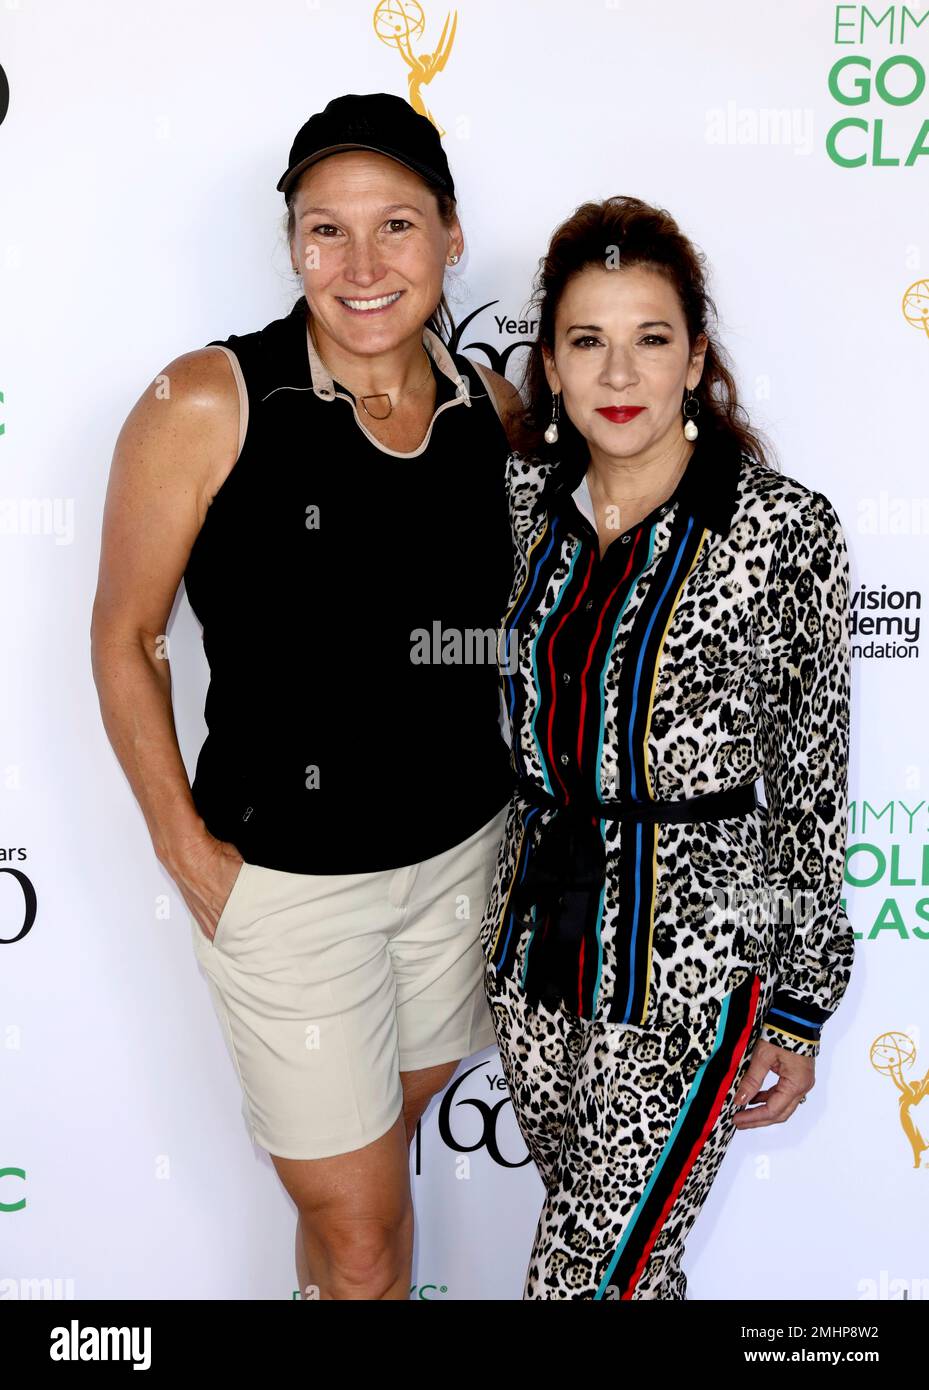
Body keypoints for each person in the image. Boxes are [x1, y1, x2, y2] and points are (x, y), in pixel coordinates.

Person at [90, 92, 524, 1301]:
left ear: (448, 235)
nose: (362, 263)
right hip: (287, 892)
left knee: (364, 1199)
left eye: (395, 224)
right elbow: (127, 635)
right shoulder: (210, 400)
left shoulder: (489, 412)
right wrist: (186, 850)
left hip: (461, 867)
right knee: (367, 1239)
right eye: (324, 229)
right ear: (291, 246)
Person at [480, 195, 855, 1299]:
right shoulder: (516, 506)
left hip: (693, 964)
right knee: (629, 1275)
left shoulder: (780, 528)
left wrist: (797, 1003)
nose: (618, 372)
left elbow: (806, 779)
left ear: (695, 357)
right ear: (547, 364)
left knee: (582, 1281)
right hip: (534, 949)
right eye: (585, 340)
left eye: (650, 338)